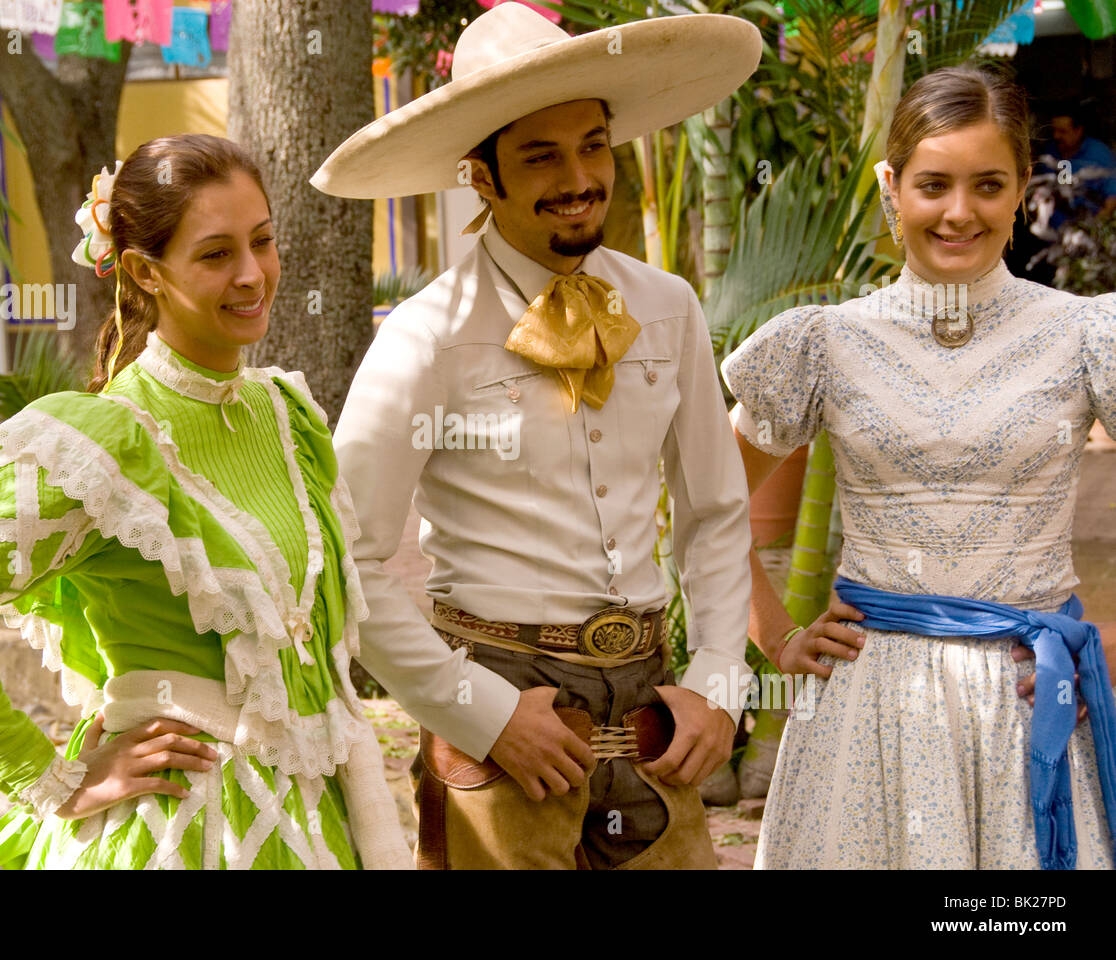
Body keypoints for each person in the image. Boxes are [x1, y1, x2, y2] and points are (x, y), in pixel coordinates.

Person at [0, 134, 410, 870]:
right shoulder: (95, 444)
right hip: (174, 836)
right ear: (143, 272)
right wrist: (54, 780)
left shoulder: (285, 414)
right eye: (216, 254)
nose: (252, 275)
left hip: (317, 831)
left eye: (262, 242)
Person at [312, 4, 760, 869]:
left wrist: (716, 682)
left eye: (592, 145)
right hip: (505, 709)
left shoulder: (668, 309)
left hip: (654, 716)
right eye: (541, 155)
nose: (579, 176)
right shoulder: (423, 338)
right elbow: (345, 559)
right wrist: (477, 711)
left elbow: (714, 512)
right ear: (481, 177)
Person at [723, 67, 1116, 869]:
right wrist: (775, 634)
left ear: (1020, 192)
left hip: (1031, 700)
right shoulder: (825, 341)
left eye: (989, 185)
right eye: (934, 184)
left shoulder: (1085, 334)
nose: (959, 212)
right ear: (891, 188)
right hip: (869, 704)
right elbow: (707, 501)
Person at [1041, 110, 1116, 228]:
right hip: (1055, 229)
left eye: (1062, 131)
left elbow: (1112, 197)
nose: (1056, 136)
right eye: (1054, 131)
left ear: (1078, 131)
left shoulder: (1099, 154)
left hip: (1092, 226)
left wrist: (1091, 229)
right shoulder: (1051, 152)